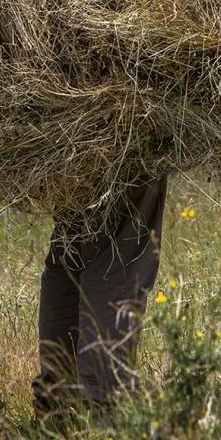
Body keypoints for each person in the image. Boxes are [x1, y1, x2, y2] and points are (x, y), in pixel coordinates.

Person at [31, 164, 170, 416]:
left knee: (71, 242)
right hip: (119, 141)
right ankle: (105, 404)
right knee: (120, 254)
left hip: (66, 148)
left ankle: (56, 402)